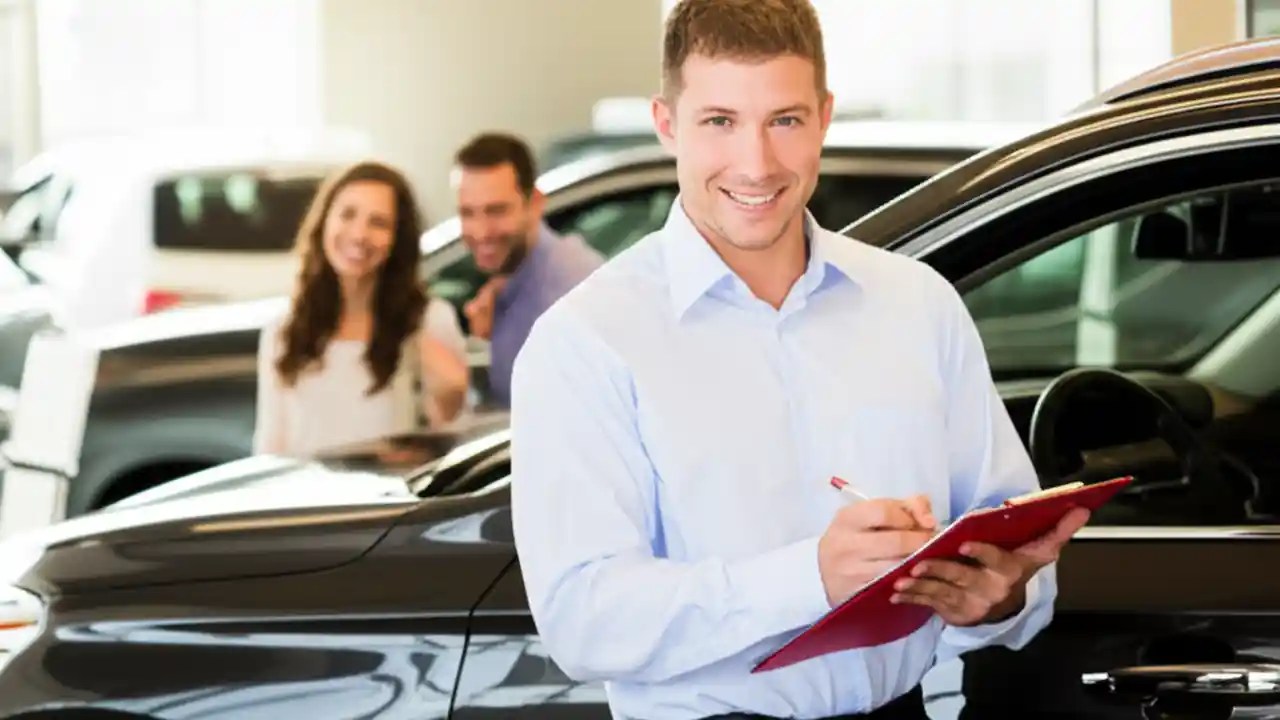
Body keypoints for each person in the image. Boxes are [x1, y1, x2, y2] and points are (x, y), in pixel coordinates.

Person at [509, 1, 1091, 719]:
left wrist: (999, 599)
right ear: (667, 124)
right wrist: (810, 577)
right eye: (720, 121)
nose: (756, 164)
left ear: (824, 118)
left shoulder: (919, 305)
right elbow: (583, 621)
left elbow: (1009, 541)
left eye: (784, 120)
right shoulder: (586, 341)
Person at [254, 160, 469, 457]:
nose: (359, 234)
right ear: (324, 221)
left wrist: (437, 371)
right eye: (348, 215)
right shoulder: (283, 330)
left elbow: (451, 434)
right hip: (308, 488)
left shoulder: (429, 319)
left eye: (378, 223)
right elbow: (270, 448)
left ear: (398, 238)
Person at [451, 132, 603, 408]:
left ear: (535, 204)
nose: (481, 232)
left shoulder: (565, 296)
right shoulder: (516, 278)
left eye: (496, 211)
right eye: (467, 213)